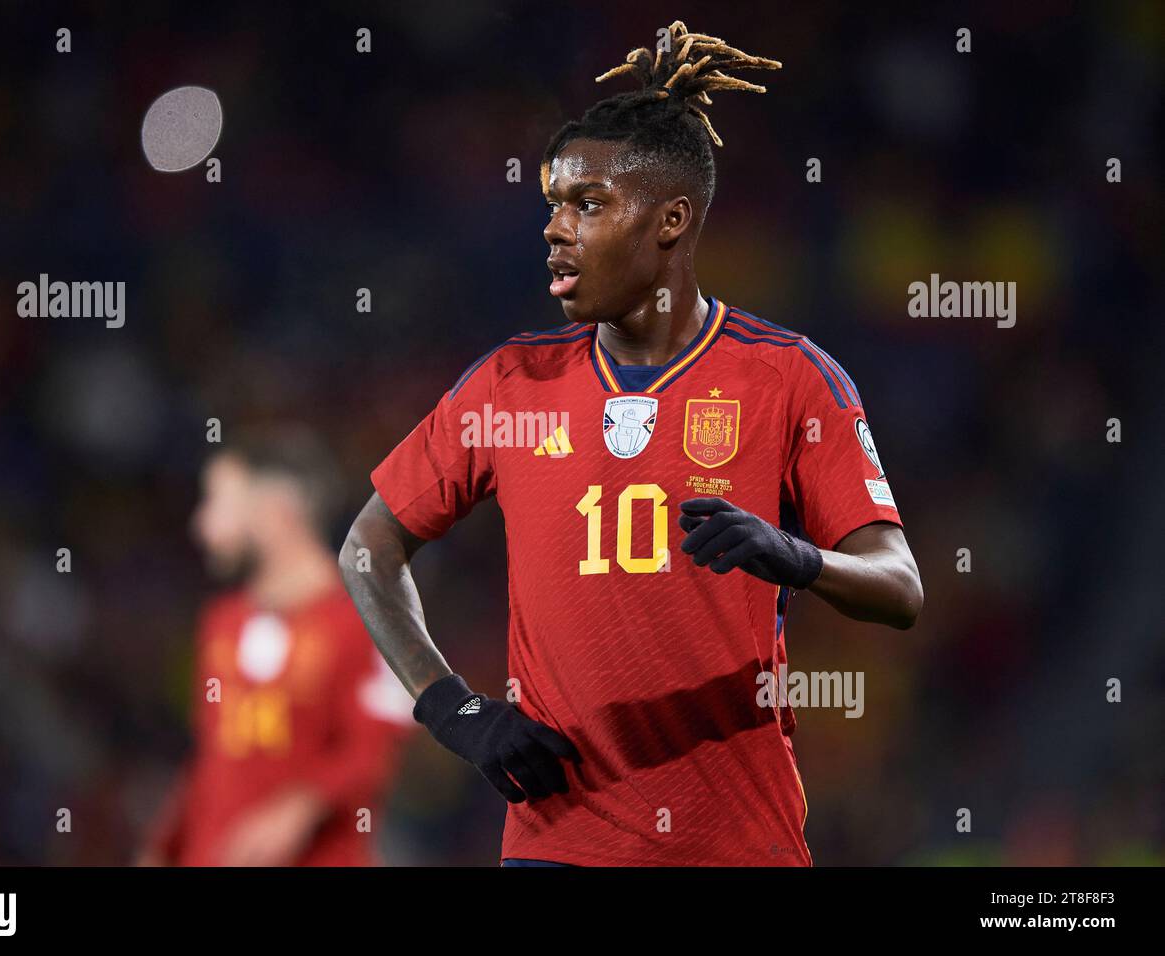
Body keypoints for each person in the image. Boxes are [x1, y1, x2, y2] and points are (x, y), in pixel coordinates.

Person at [340, 21, 922, 866]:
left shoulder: (788, 379)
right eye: (553, 205)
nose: (556, 228)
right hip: (555, 845)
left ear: (670, 221)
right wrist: (451, 709)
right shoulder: (509, 386)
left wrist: (795, 556)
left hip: (736, 843)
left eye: (588, 204)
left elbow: (899, 588)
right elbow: (368, 548)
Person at [140, 425, 414, 866]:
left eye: (218, 502)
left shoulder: (369, 618)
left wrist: (299, 808)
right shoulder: (220, 624)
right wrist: (163, 847)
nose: (202, 525)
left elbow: (373, 753)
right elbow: (210, 758)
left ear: (276, 510)